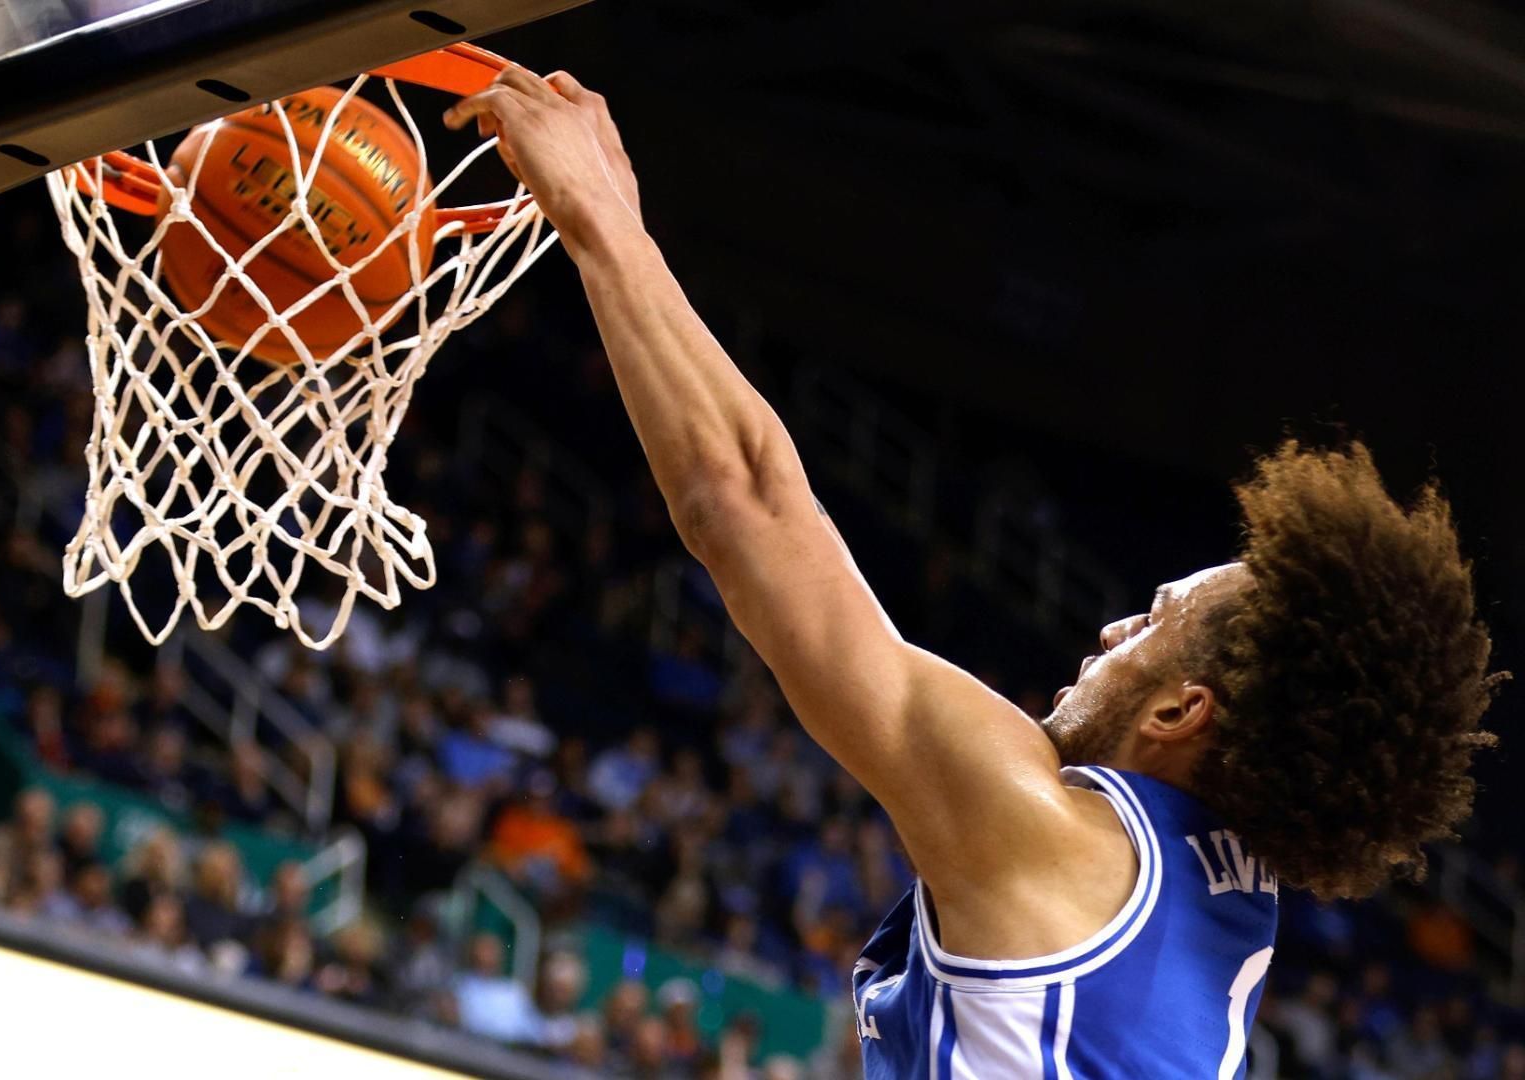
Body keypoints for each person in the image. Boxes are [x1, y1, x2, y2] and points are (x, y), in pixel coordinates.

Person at [447, 69, 1502, 1076]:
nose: (1107, 636)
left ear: (1182, 713)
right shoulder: (1232, 902)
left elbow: (745, 504)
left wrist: (599, 219)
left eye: (1149, 622)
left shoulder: (1052, 838)